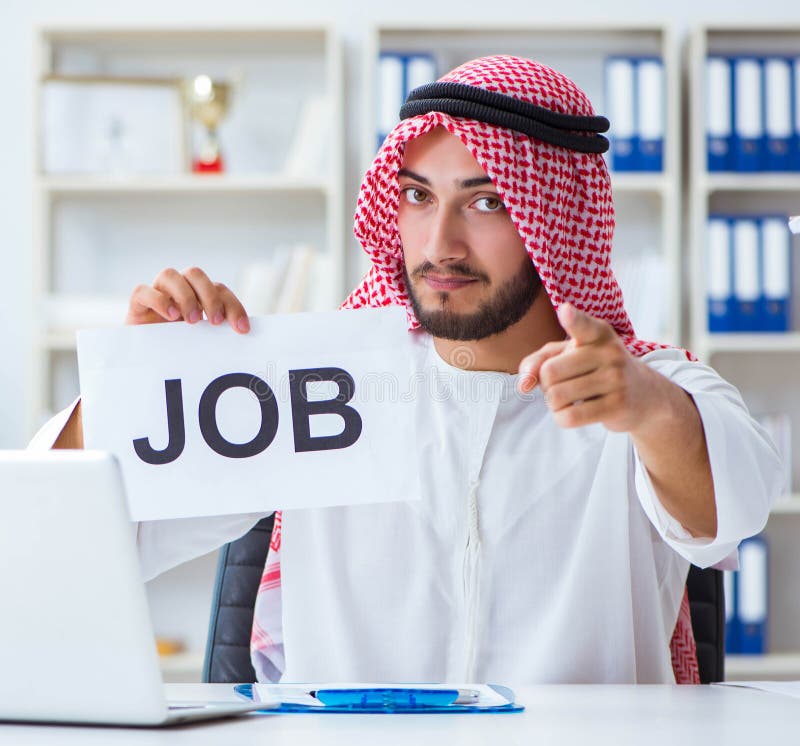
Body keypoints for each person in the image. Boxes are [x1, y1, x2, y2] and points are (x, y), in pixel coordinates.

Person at [32, 55, 782, 685]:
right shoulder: (317, 386)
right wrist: (132, 396)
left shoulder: (644, 390)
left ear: (556, 216)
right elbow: (58, 543)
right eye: (417, 197)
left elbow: (733, 506)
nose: (439, 243)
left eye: (485, 202)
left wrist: (647, 409)